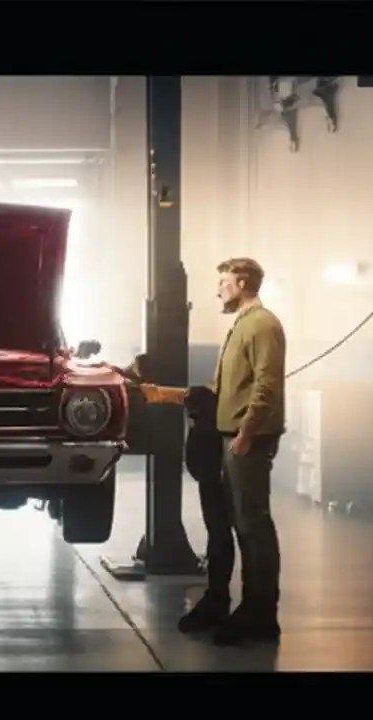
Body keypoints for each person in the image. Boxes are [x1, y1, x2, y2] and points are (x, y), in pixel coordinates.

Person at [137, 257, 286, 645]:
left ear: (242, 282)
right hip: (227, 436)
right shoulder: (240, 325)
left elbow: (267, 386)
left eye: (223, 281)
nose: (218, 288)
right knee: (222, 526)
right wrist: (165, 395)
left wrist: (246, 434)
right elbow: (221, 392)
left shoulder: (263, 325)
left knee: (252, 528)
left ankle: (260, 614)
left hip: (244, 440)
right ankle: (218, 603)